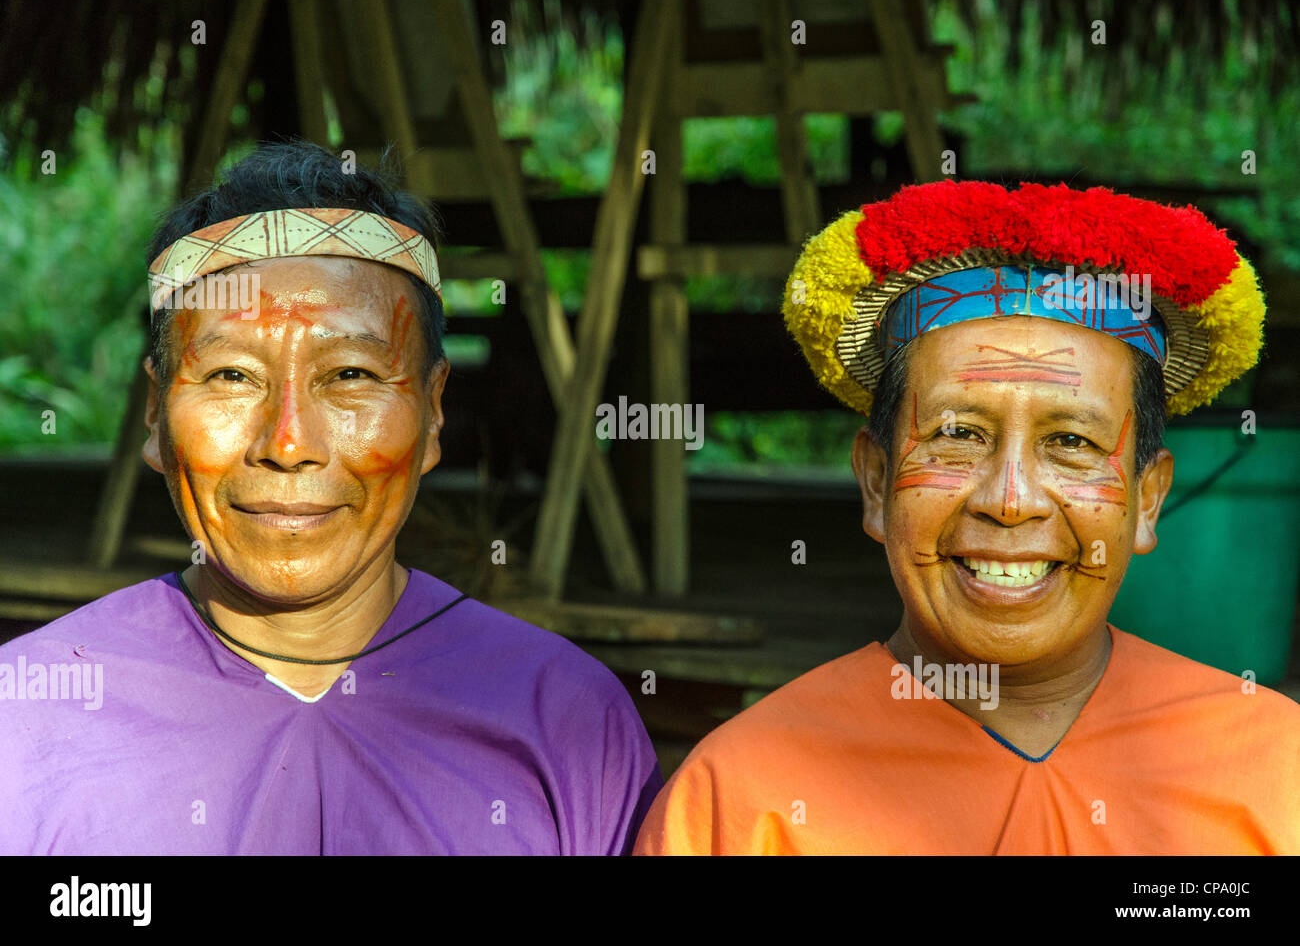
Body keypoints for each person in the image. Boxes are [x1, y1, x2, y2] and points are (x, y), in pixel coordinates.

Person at [0, 141, 661, 855]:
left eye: (349, 373)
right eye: (230, 376)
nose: (288, 443)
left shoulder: (567, 723)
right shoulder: (31, 719)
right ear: (156, 413)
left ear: (434, 412)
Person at [635, 179, 1298, 855]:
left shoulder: (1278, 771)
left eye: (1071, 441)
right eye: (958, 434)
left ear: (1148, 498)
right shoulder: (741, 801)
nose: (1010, 499)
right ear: (876, 481)